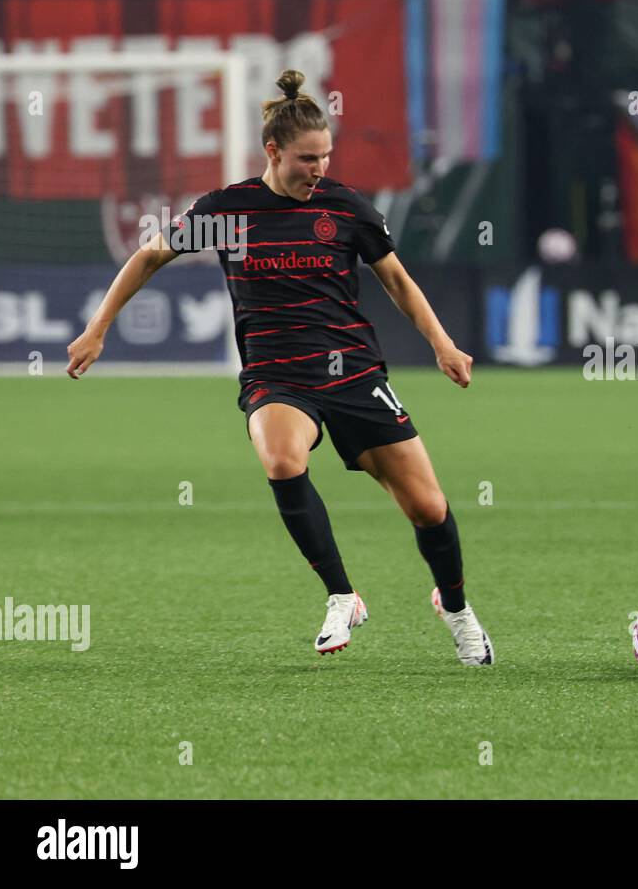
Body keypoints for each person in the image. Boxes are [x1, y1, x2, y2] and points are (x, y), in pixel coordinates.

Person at [65, 70, 494, 666]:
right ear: (272, 151)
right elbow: (149, 256)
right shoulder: (227, 210)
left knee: (429, 508)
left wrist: (442, 344)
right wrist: (97, 327)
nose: (318, 169)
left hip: (355, 376)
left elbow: (395, 278)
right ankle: (343, 595)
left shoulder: (345, 207)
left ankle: (456, 607)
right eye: (306, 158)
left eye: (325, 156)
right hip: (277, 376)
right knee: (282, 457)